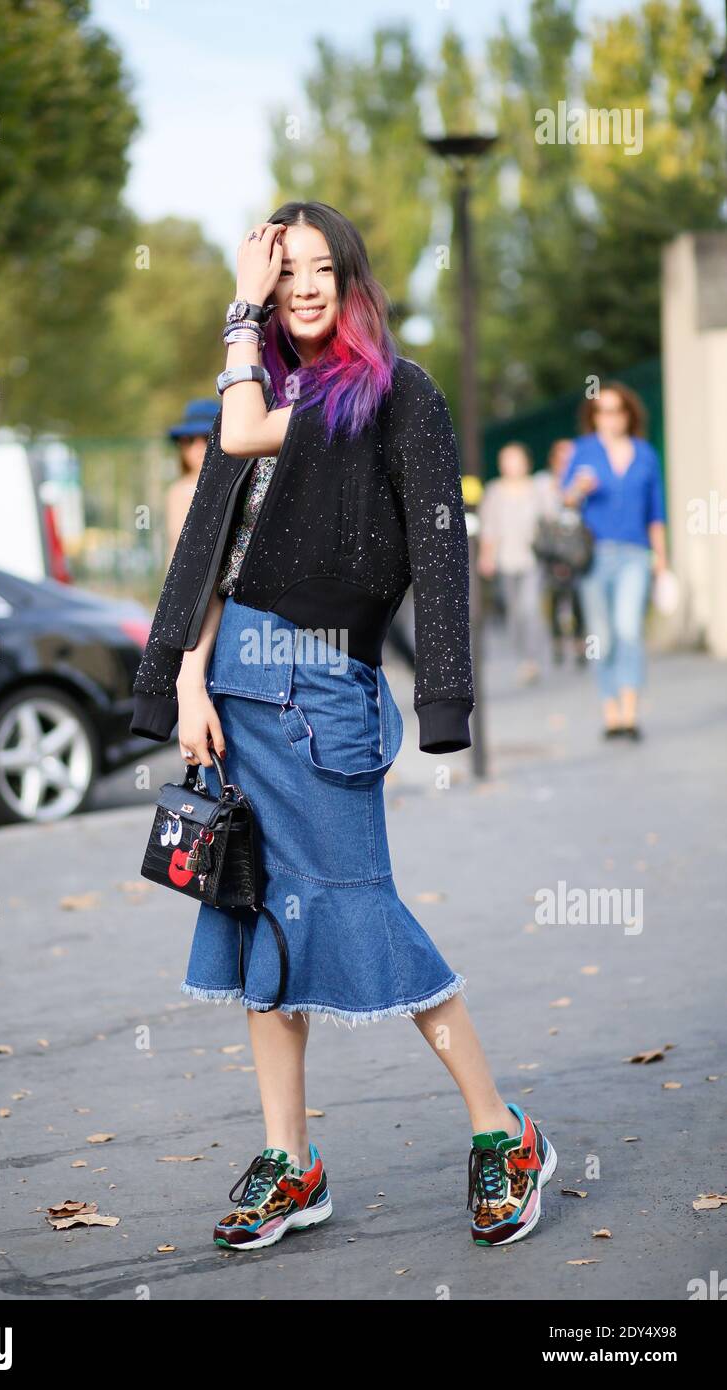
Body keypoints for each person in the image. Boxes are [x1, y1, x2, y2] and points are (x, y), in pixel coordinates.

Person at [131, 201, 557, 1252]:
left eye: (320, 268)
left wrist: (444, 692)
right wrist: (189, 681)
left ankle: (503, 1130)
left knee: (360, 913)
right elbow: (211, 554)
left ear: (351, 278)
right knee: (255, 919)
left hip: (324, 692)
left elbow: (440, 549)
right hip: (234, 685)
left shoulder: (385, 393)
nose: (305, 287)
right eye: (285, 276)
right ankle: (291, 1159)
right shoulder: (258, 381)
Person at [561, 382, 668, 739]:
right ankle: (610, 711)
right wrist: (578, 489)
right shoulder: (584, 450)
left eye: (617, 410)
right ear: (594, 416)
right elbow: (566, 500)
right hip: (594, 556)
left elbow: (657, 513)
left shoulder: (645, 454)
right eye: (603, 410)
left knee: (628, 629)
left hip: (635, 554)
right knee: (601, 638)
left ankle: (630, 713)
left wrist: (662, 561)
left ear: (628, 415)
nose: (611, 417)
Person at [477, 441, 550, 683]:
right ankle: (522, 656)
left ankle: (532, 660)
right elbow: (489, 528)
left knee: (529, 607)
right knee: (514, 611)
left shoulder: (537, 489)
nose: (511, 465)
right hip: (506, 560)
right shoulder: (495, 491)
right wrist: (486, 557)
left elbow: (551, 521)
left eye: (515, 459)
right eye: (507, 460)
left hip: (532, 558)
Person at [533, 439, 587, 666]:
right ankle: (557, 641)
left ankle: (579, 643)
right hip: (553, 547)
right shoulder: (543, 482)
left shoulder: (583, 478)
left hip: (576, 545)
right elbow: (542, 512)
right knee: (555, 594)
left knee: (577, 596)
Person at [165, 398, 218, 563]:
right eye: (189, 440)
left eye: (207, 437)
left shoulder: (241, 484)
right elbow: (176, 547)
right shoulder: (177, 491)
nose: (197, 447)